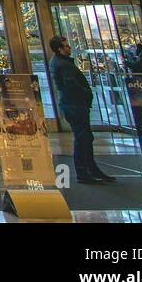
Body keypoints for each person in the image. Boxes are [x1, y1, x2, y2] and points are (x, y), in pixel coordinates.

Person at [48, 34, 114, 184]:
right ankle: (83, 171)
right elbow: (72, 85)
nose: (69, 47)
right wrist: (86, 93)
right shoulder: (64, 65)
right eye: (66, 46)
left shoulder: (59, 62)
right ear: (59, 49)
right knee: (82, 138)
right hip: (75, 105)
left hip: (72, 104)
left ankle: (90, 169)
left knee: (85, 137)